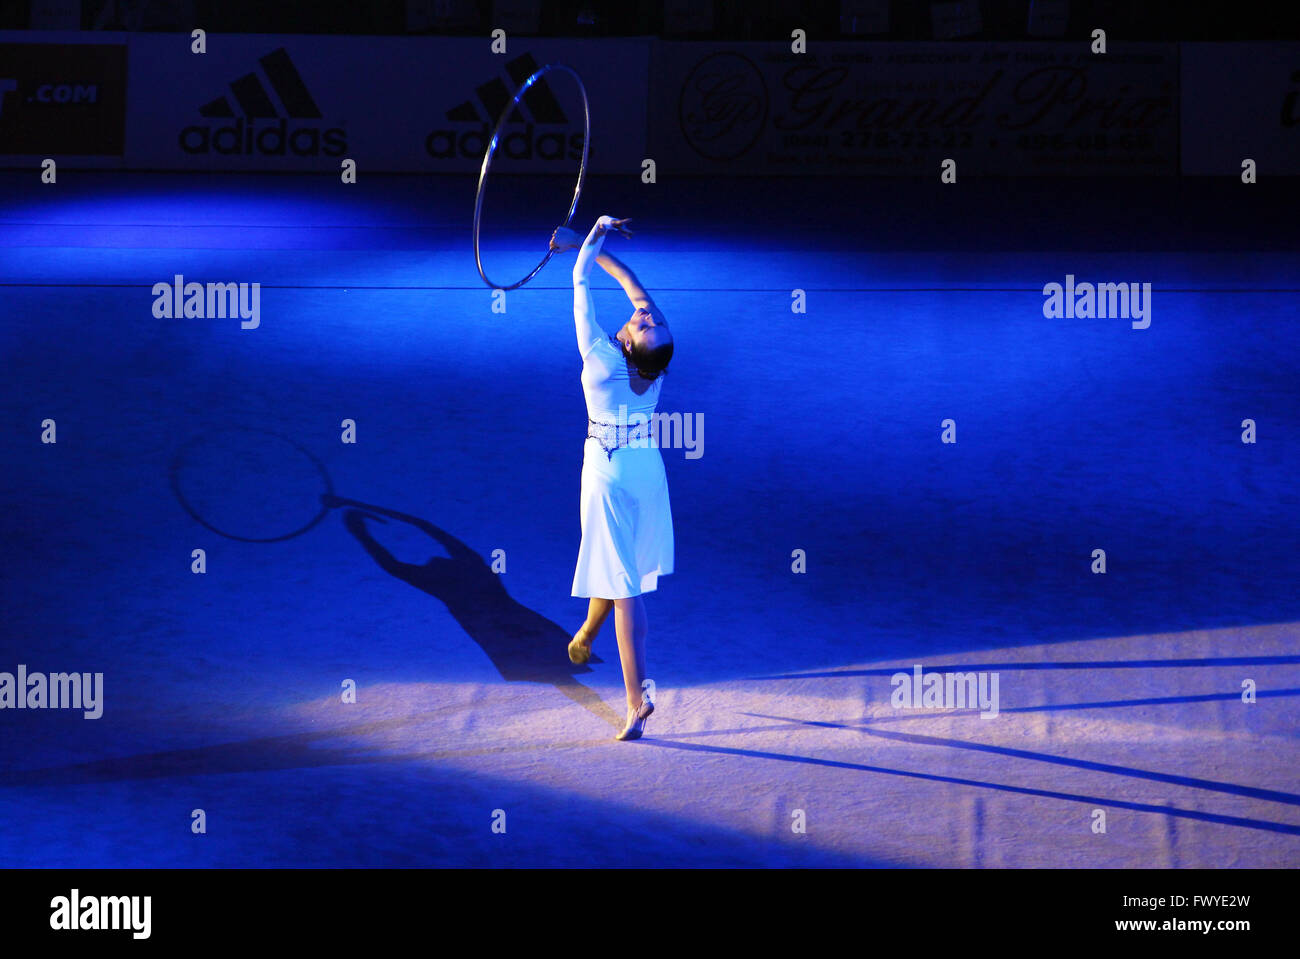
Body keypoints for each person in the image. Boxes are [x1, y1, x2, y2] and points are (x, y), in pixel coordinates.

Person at [550, 216, 674, 741]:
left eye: (645, 323)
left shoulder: (600, 359)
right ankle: (584, 636)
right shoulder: (656, 359)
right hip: (646, 469)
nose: (645, 315)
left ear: (630, 344)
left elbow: (579, 283)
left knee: (625, 587)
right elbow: (633, 288)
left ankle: (634, 700)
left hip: (606, 474)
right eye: (651, 318)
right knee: (615, 559)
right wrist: (588, 242)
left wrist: (590, 236)